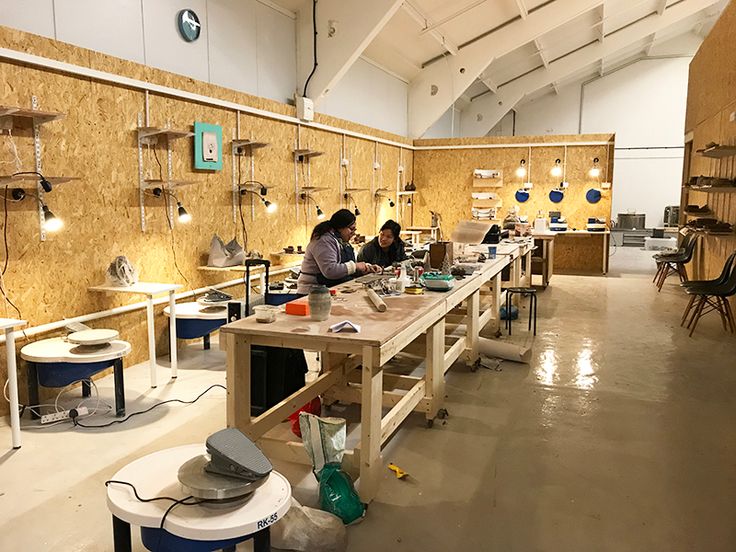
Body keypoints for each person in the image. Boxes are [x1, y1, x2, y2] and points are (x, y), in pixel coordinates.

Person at [297, 209, 380, 294]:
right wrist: (355, 266)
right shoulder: (324, 241)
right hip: (311, 293)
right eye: (351, 229)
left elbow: (345, 268)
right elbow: (330, 270)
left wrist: (365, 269)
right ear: (341, 228)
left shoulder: (341, 241)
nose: (354, 233)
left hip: (329, 289)